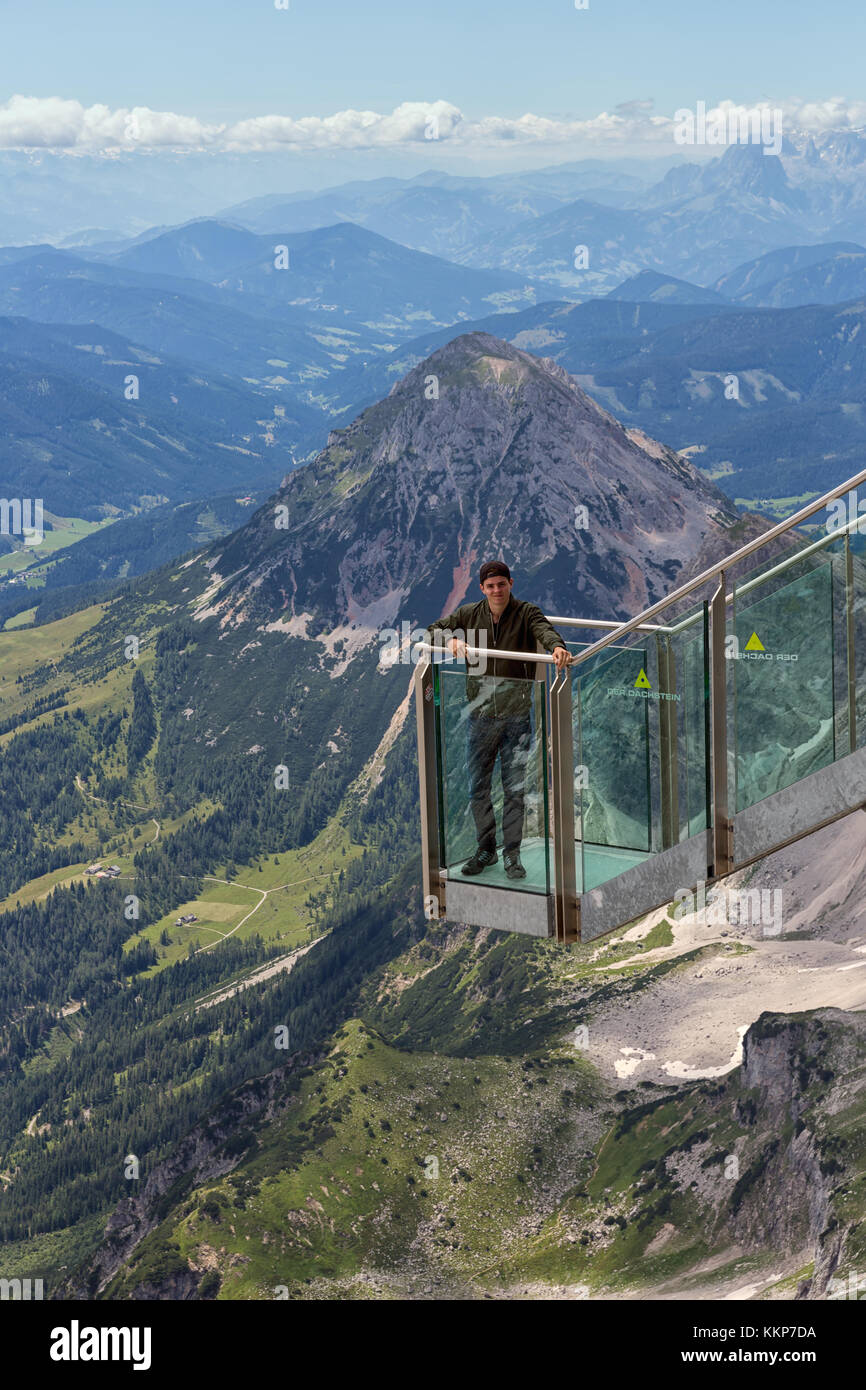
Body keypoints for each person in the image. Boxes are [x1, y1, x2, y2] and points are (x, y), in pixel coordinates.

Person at [425, 561, 571, 880]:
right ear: (482, 589)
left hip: (517, 716)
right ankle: (486, 848)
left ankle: (512, 854)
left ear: (510, 583)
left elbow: (545, 631)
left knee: (513, 788)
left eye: (501, 584)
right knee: (478, 787)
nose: (496, 590)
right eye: (490, 586)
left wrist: (557, 647)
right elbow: (432, 631)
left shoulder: (526, 612)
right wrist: (451, 642)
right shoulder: (468, 614)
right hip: (480, 717)